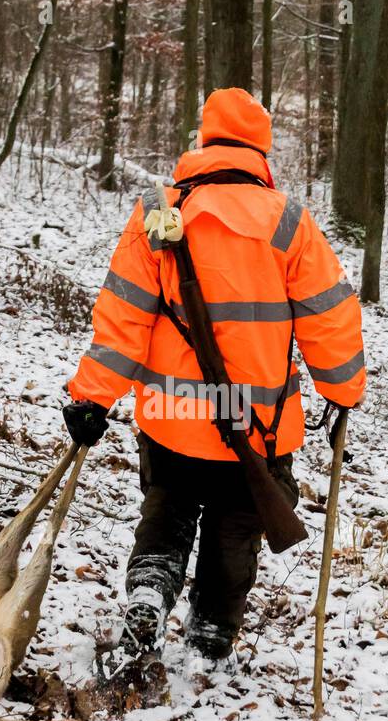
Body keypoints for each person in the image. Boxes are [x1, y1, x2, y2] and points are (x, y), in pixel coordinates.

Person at [63, 87, 365, 662]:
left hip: (171, 417)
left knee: (169, 503)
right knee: (235, 527)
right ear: (261, 150)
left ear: (204, 141)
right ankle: (213, 632)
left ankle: (150, 589)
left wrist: (92, 398)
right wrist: (342, 390)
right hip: (256, 422)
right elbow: (331, 315)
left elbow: (122, 314)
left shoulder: (161, 213)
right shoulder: (289, 223)